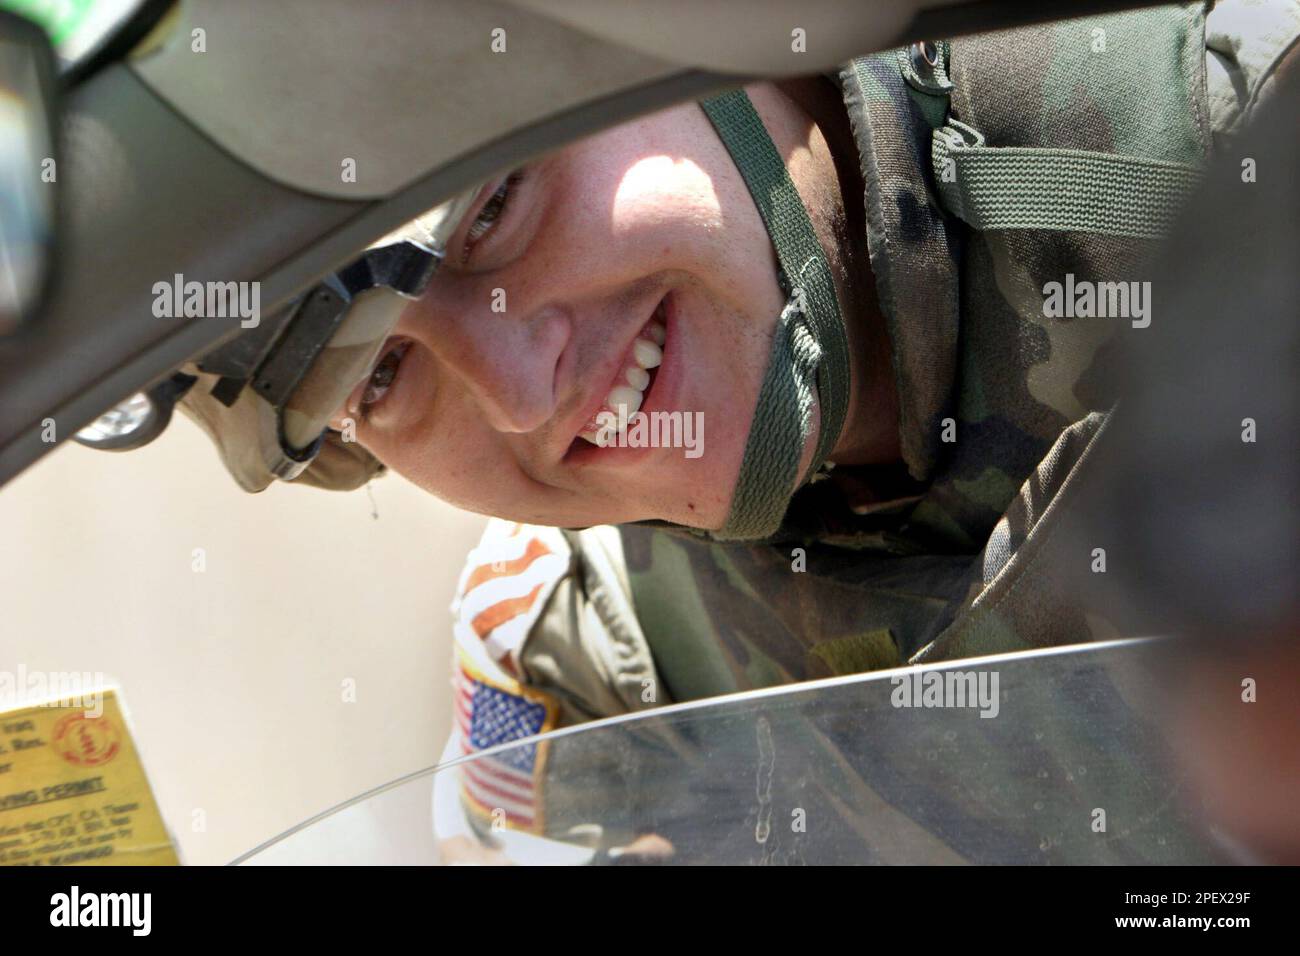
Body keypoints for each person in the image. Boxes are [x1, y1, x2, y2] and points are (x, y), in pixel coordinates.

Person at [182, 1, 1300, 858]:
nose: (521, 391)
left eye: (495, 208)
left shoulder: (1249, 165)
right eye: (377, 375)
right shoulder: (594, 651)